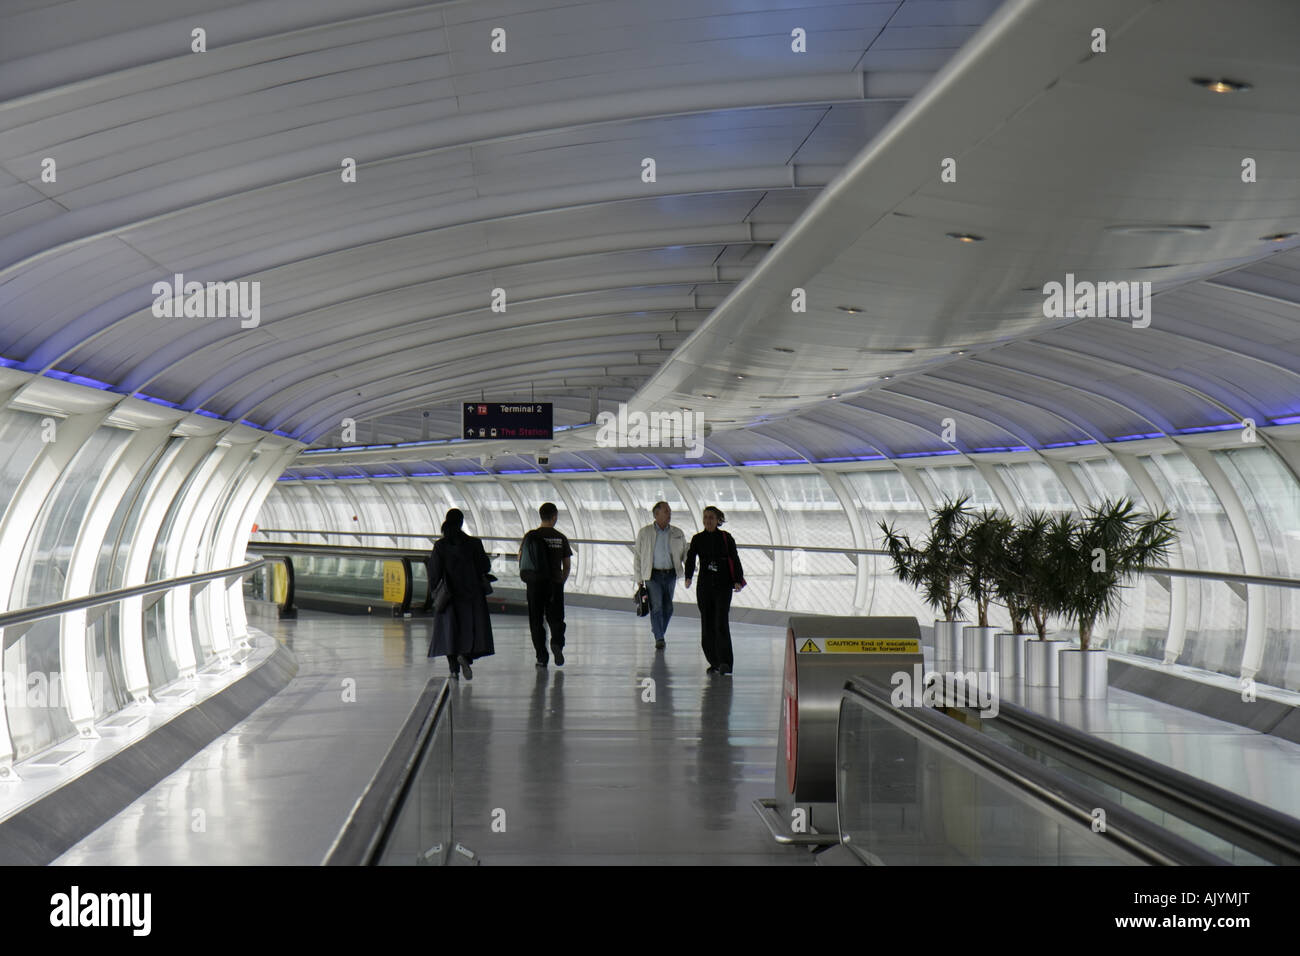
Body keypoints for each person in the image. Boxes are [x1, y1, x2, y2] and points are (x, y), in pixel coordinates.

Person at [427, 508, 494, 679]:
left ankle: (453, 670)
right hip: (472, 596)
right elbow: (485, 566)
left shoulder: (440, 546)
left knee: (450, 631)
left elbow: (434, 573)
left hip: (449, 596)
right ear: (462, 523)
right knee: (472, 631)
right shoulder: (474, 544)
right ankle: (465, 656)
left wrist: (434, 593)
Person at [684, 505, 745, 676]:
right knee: (707, 623)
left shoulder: (726, 538)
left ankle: (725, 662)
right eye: (705, 517)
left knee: (720, 622)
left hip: (723, 586)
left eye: (711, 517)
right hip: (704, 586)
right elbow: (690, 558)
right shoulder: (697, 539)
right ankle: (714, 661)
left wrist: (737, 580)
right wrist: (688, 576)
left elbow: (734, 558)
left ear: (718, 520)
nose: (708, 520)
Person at [520, 501, 572, 667]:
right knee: (556, 619)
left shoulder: (531, 536)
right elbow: (567, 565)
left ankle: (542, 657)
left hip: (535, 585)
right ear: (554, 516)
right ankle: (556, 642)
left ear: (541, 516)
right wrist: (560, 581)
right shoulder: (560, 537)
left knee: (536, 621)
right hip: (554, 584)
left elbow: (521, 558)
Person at [634, 501, 686, 649]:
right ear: (656, 515)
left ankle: (658, 630)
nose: (669, 514)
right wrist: (639, 579)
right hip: (653, 575)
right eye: (666, 512)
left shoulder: (677, 533)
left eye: (669, 511)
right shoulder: (645, 533)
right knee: (656, 606)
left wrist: (689, 570)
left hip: (670, 574)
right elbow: (638, 556)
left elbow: (684, 553)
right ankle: (659, 638)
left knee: (668, 608)